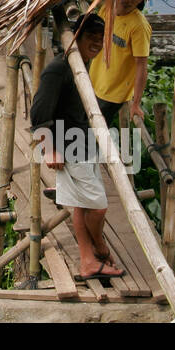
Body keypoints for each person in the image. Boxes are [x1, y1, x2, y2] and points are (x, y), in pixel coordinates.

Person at [31, 14, 124, 280]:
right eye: (90, 37)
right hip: (69, 147)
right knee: (98, 207)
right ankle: (100, 247)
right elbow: (38, 114)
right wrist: (49, 148)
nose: (96, 43)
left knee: (82, 206)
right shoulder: (59, 69)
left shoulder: (82, 65)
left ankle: (87, 262)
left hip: (83, 144)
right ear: (76, 38)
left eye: (100, 38)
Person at [89, 0, 152, 124]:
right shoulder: (107, 9)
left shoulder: (139, 26)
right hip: (93, 81)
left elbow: (141, 66)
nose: (127, 0)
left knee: (92, 133)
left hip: (113, 93)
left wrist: (135, 104)